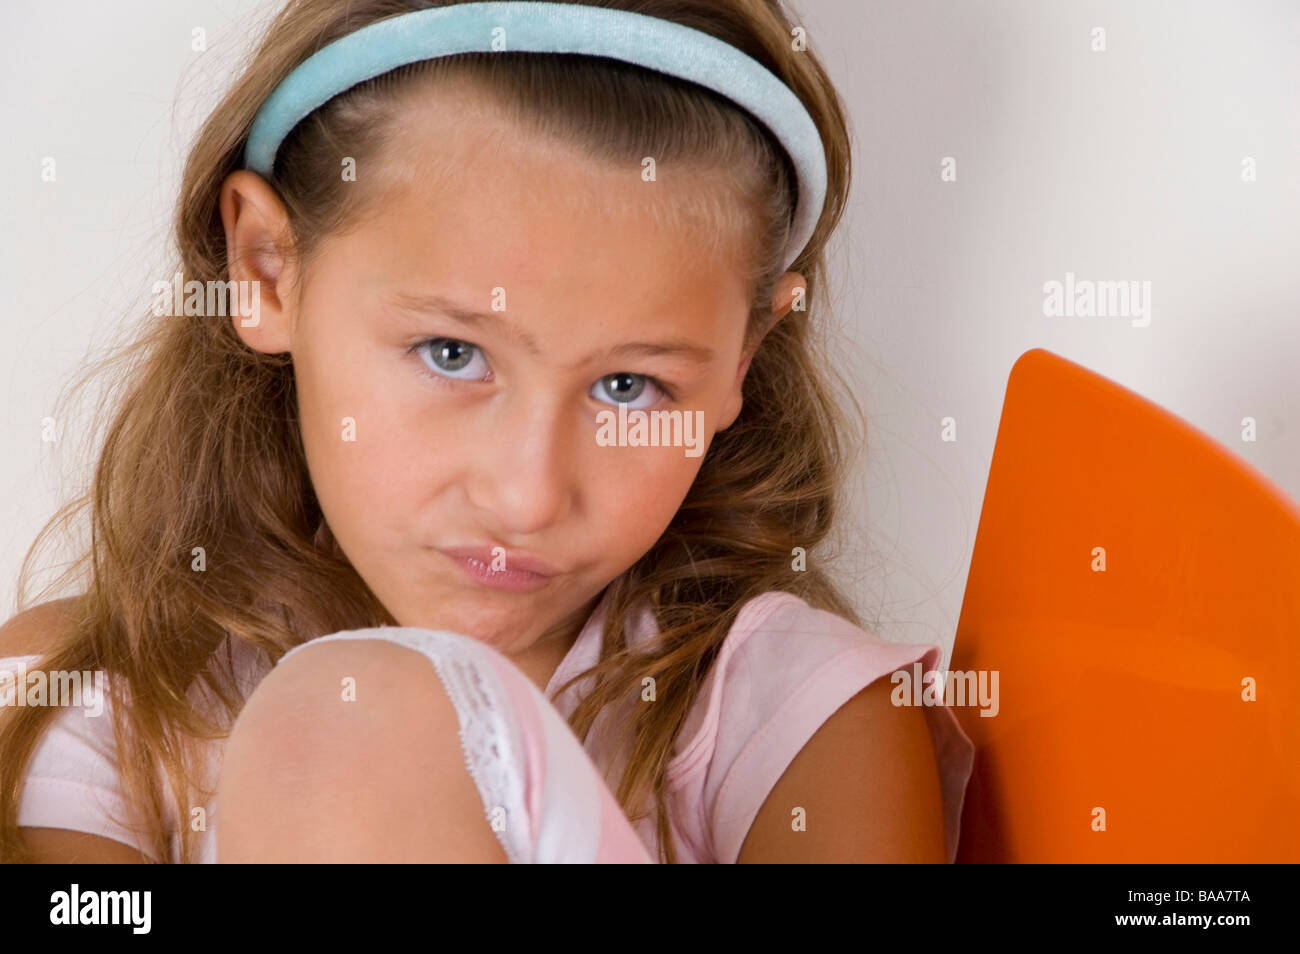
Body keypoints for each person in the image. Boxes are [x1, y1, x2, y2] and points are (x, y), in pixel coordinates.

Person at [0, 0, 973, 864]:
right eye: (452, 355)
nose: (526, 495)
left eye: (630, 386)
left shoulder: (797, 723)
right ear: (264, 269)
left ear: (744, 359)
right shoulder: (85, 698)